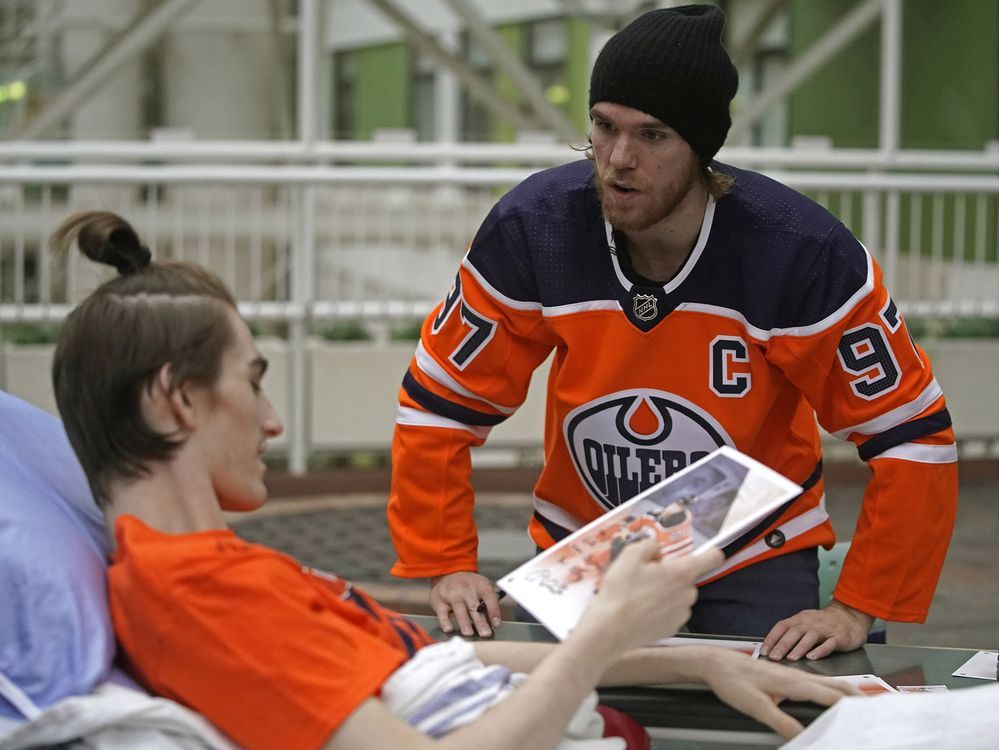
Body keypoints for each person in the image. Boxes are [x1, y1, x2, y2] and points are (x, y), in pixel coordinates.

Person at [48, 210, 856, 749]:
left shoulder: (215, 573)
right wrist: (606, 631)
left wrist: (696, 662)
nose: (272, 422)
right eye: (253, 380)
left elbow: (420, 664)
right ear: (177, 398)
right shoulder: (196, 595)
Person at [387, 3, 959, 661]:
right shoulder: (532, 228)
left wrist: (859, 607)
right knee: (540, 715)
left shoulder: (802, 253)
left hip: (748, 539)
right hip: (593, 542)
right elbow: (437, 404)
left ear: (701, 146)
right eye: (604, 127)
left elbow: (914, 438)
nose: (618, 160)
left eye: (652, 135)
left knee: (771, 715)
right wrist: (445, 560)